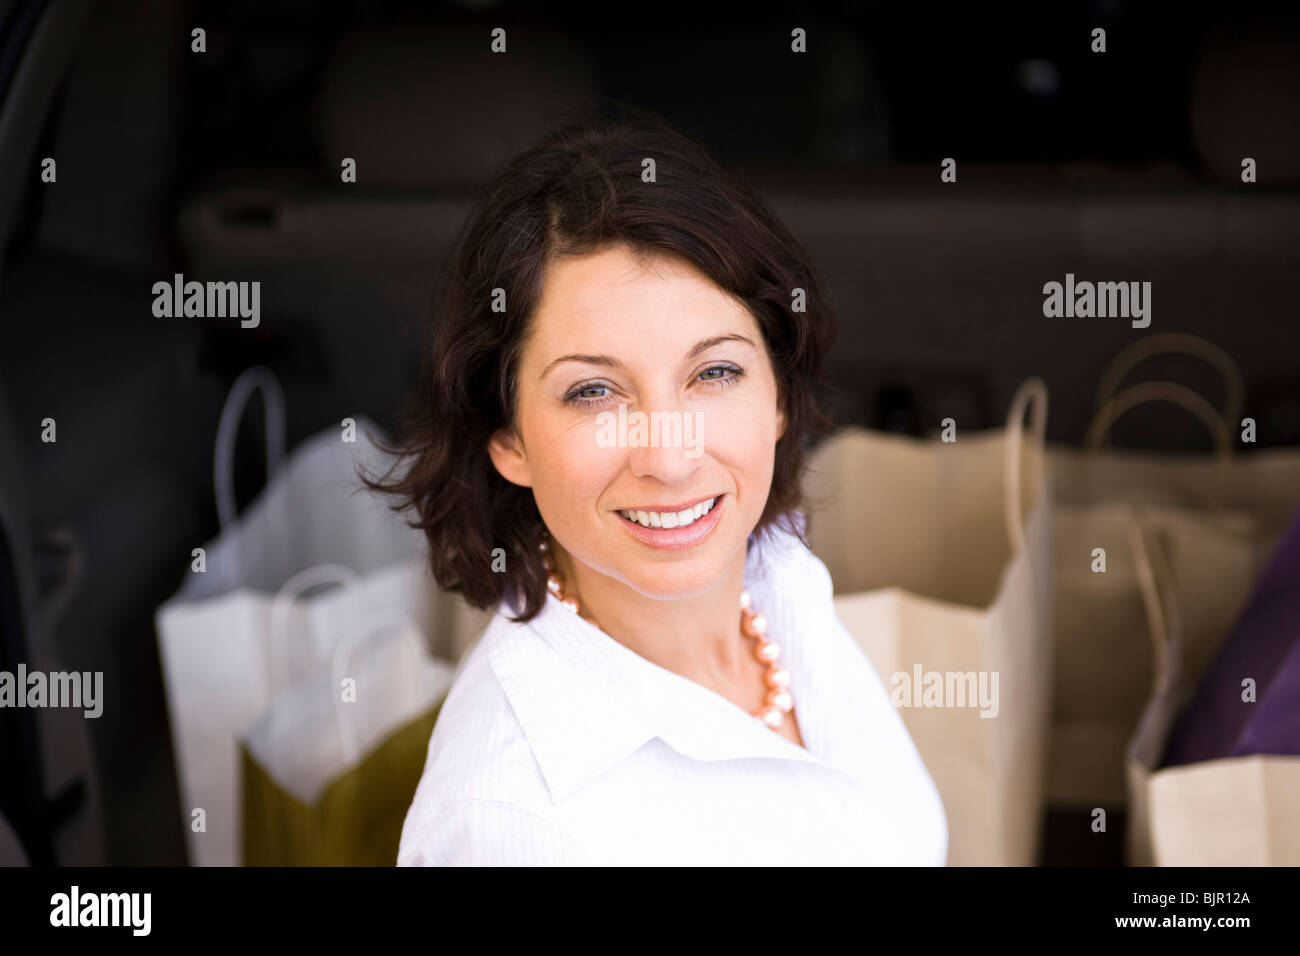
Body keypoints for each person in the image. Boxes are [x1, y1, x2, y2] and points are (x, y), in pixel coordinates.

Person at [366, 110, 947, 865]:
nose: (669, 460)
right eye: (594, 393)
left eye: (714, 373)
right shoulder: (509, 823)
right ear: (505, 437)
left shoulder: (780, 582)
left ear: (775, 394)